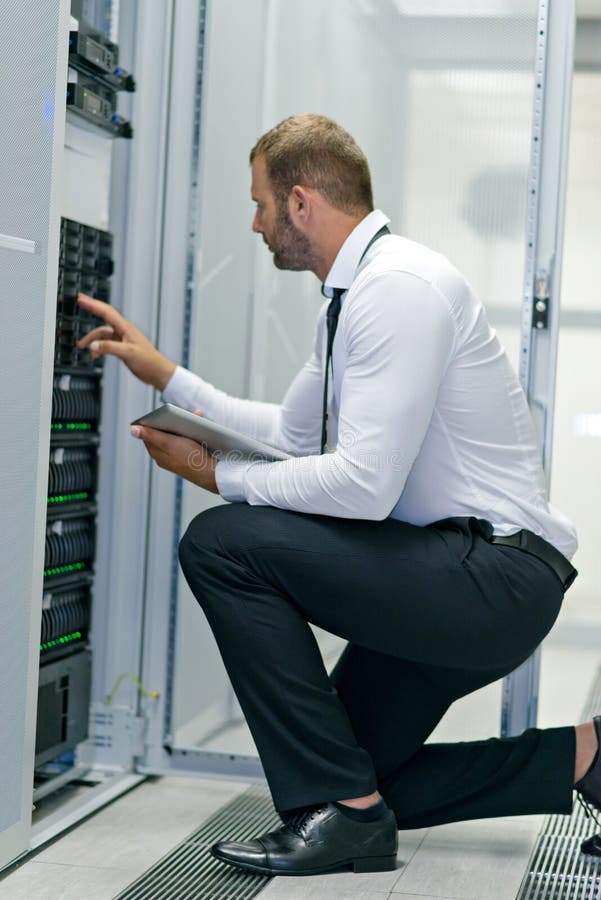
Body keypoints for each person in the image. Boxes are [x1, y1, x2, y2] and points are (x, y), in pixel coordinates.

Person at [77, 113, 598, 879]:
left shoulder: (399, 290)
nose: (253, 224)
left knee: (222, 542)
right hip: (450, 569)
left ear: (298, 202)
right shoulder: (353, 297)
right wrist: (167, 379)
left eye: (258, 204)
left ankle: (348, 819)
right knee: (356, 773)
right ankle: (584, 757)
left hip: (492, 576)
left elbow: (360, 485)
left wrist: (217, 476)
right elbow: (293, 433)